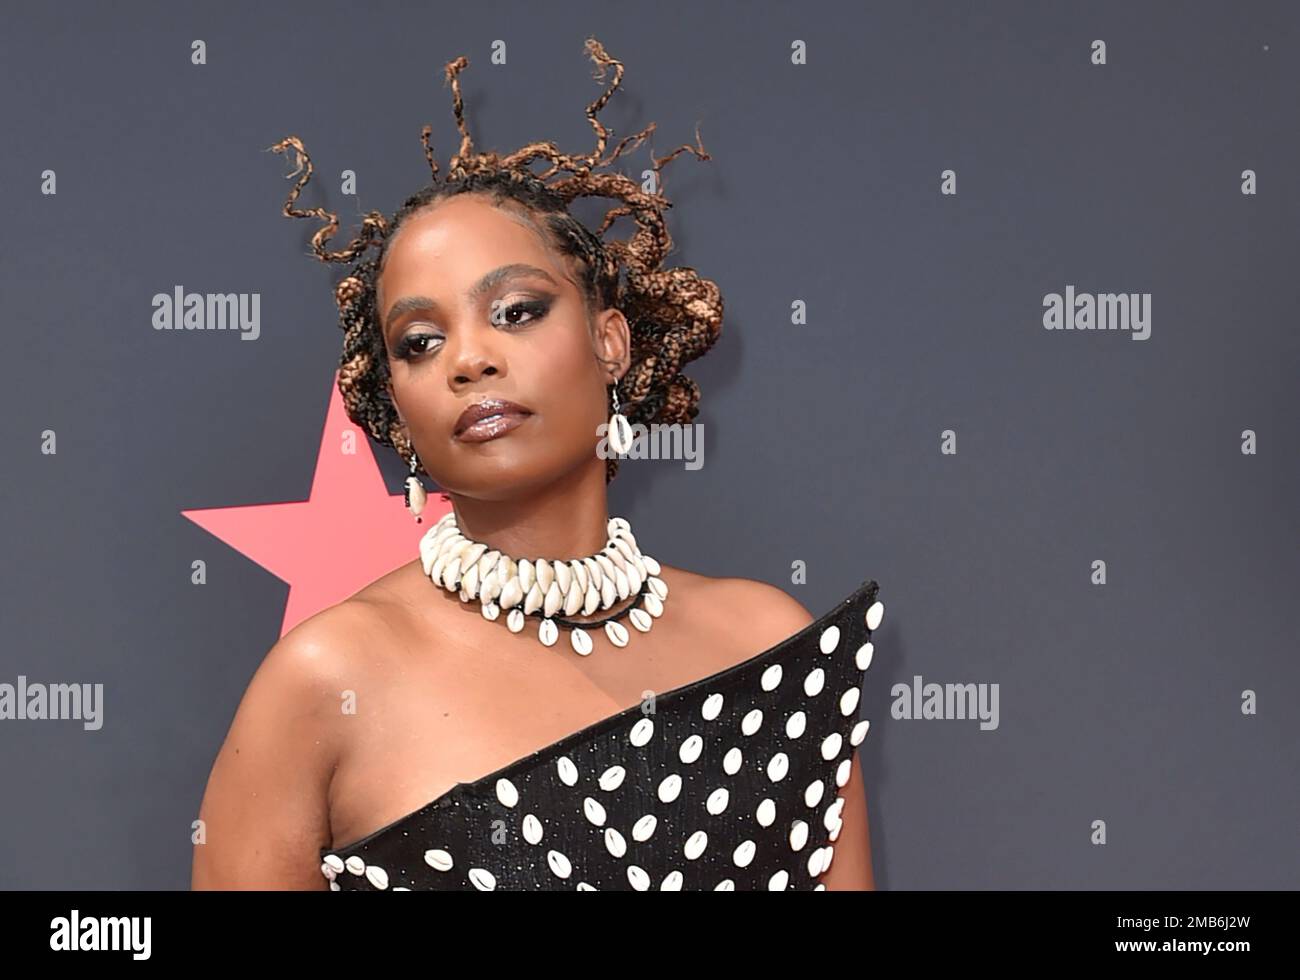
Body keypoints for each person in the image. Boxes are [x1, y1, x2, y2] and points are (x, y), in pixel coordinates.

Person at [191, 37, 880, 891]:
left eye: (516, 310)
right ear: (396, 403)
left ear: (609, 341)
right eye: (420, 341)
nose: (468, 359)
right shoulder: (325, 680)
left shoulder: (766, 645)